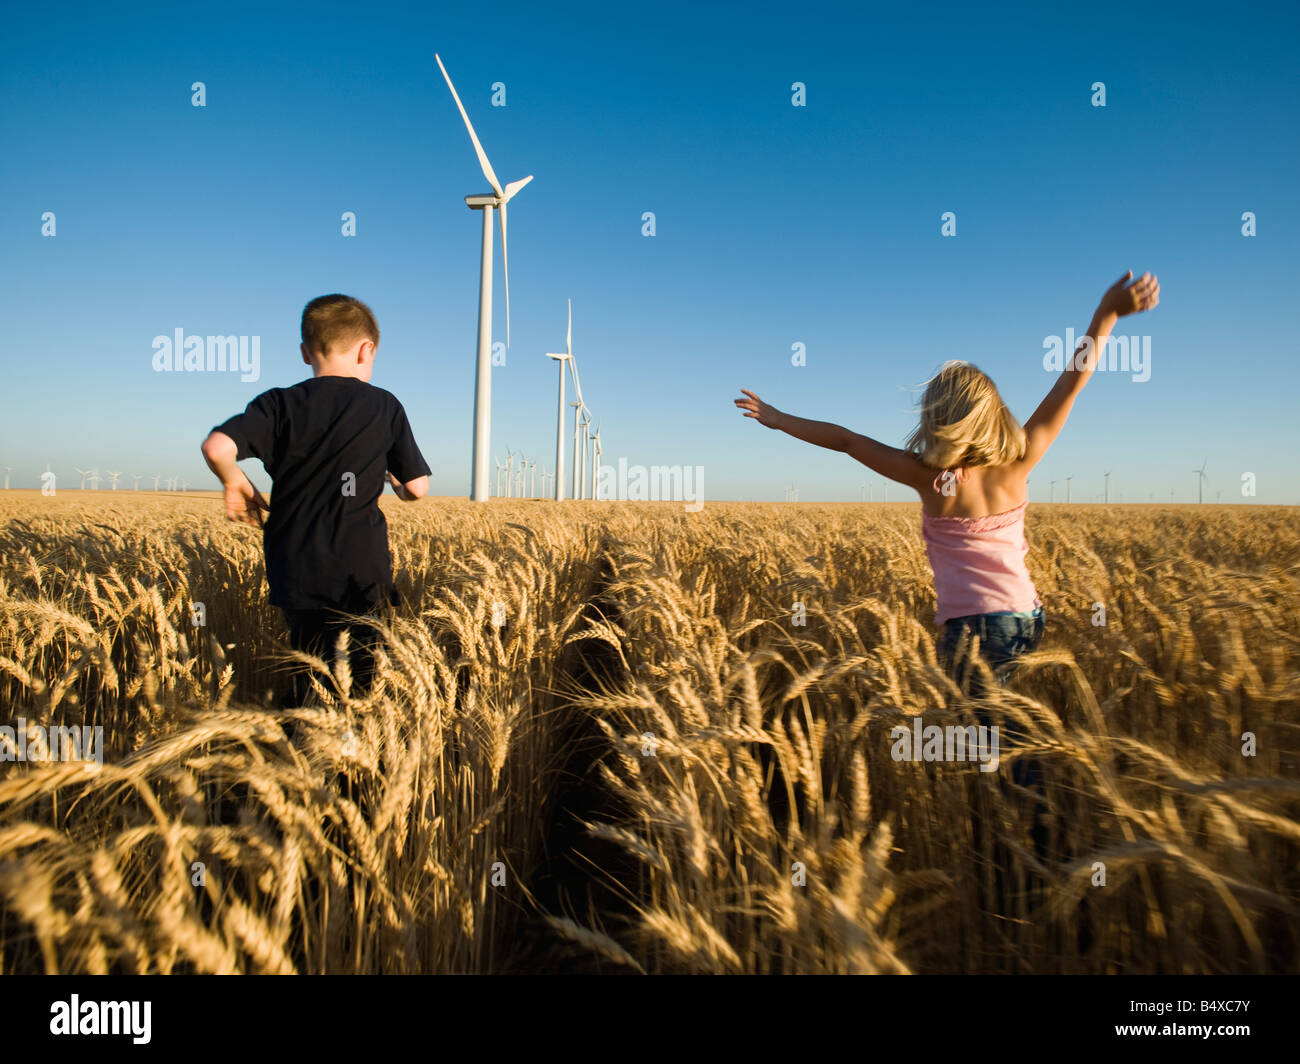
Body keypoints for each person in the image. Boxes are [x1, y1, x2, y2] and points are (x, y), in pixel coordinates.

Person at [734, 269, 1159, 693]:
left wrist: (778, 419)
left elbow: (846, 440)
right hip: (1027, 617)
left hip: (974, 629)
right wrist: (1106, 315)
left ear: (934, 420)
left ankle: (1014, 763)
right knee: (1009, 721)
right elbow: (1070, 385)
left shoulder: (928, 478)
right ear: (994, 414)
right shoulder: (1020, 462)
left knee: (982, 733)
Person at [201, 294, 431, 705]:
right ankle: (348, 757)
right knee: (358, 685)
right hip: (359, 573)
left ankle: (301, 751)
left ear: (306, 352)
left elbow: (217, 447)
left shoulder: (277, 404)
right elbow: (417, 487)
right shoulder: (384, 405)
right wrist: (395, 483)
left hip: (296, 572)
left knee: (308, 671)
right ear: (368, 350)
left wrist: (235, 480)